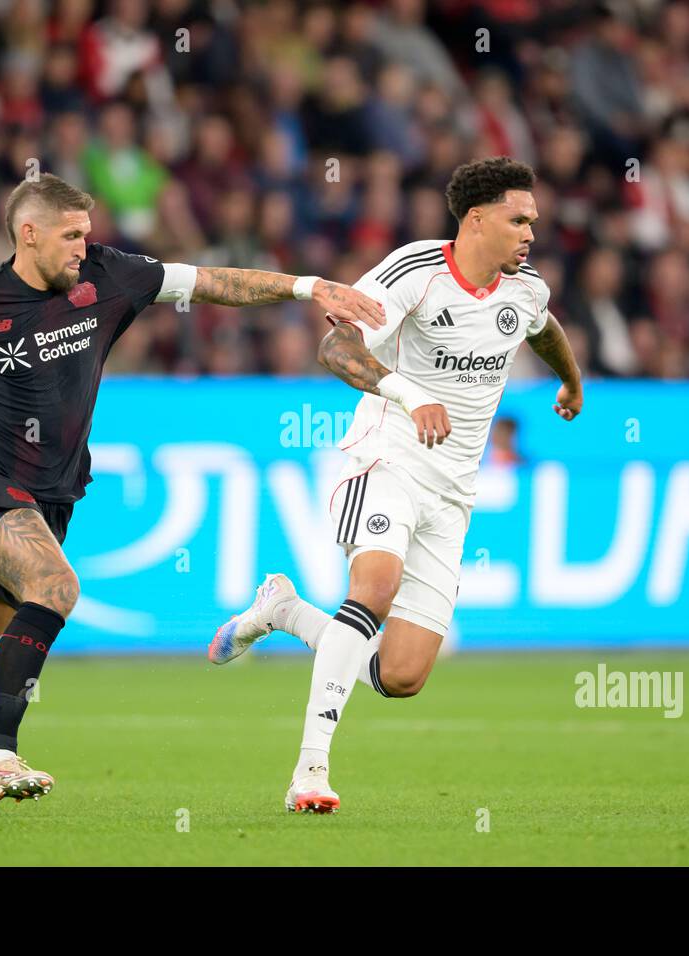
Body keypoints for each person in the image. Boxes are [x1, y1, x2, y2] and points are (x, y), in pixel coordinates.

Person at [0, 173, 385, 810]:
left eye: (86, 233)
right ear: (28, 234)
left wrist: (310, 286)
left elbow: (210, 283)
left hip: (51, 498)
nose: (81, 246)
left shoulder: (110, 276)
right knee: (57, 587)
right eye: (70, 235)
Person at [208, 157, 584, 813]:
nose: (530, 232)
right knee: (372, 591)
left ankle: (283, 610)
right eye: (518, 219)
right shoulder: (416, 269)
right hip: (386, 460)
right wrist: (410, 395)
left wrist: (571, 381)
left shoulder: (523, 291)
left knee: (400, 676)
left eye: (533, 221)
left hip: (452, 494)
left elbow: (544, 328)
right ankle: (310, 773)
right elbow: (337, 349)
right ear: (476, 219)